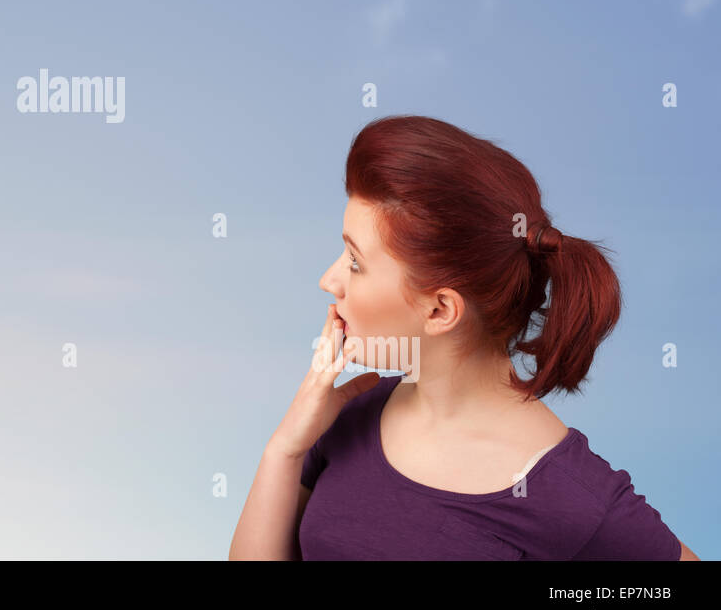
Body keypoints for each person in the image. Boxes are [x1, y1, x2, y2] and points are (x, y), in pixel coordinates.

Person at [229, 115, 700, 560]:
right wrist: (285, 448)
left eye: (355, 262)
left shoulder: (569, 493)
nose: (329, 281)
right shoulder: (346, 414)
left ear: (440, 310)